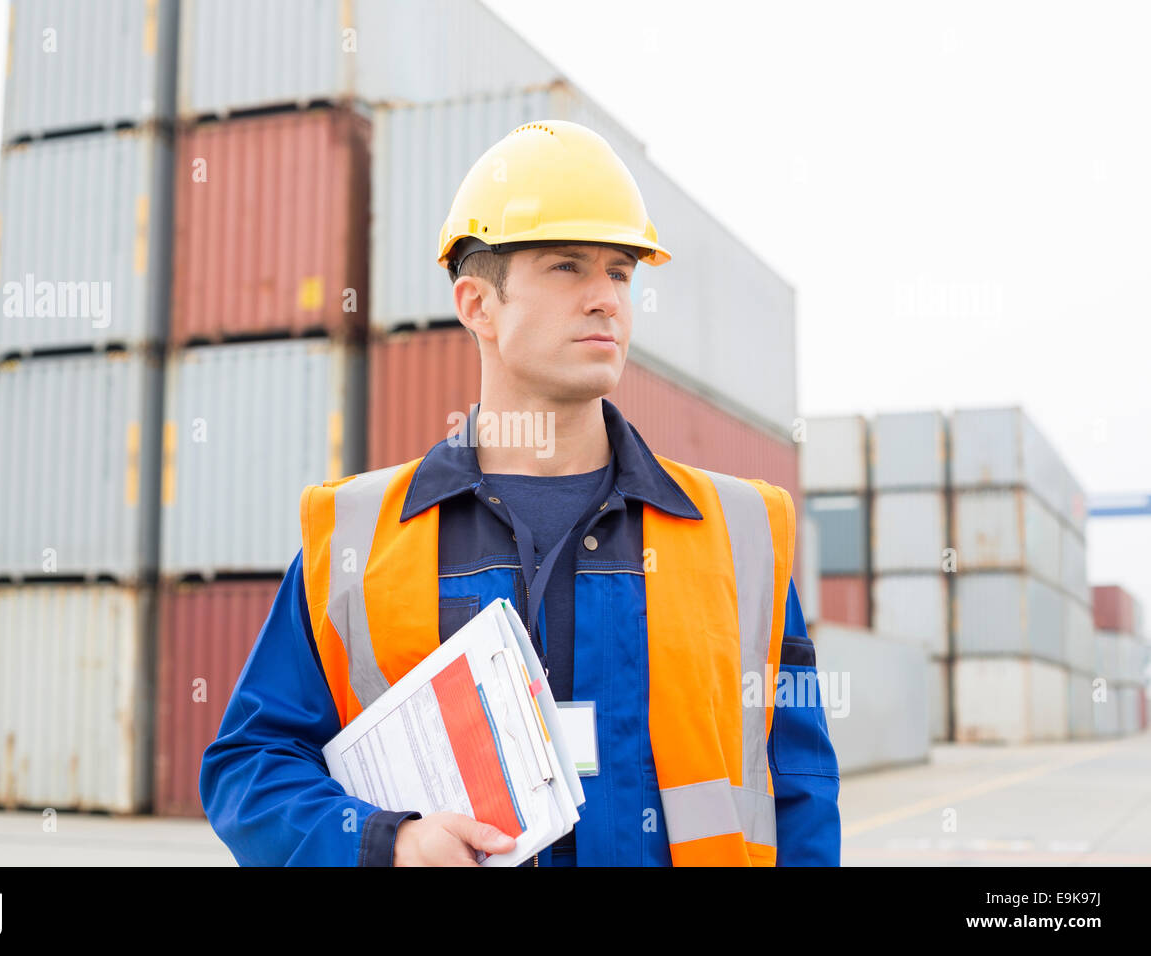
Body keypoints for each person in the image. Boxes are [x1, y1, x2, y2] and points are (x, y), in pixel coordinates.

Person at [201, 120, 841, 866]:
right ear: (478, 306)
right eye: (568, 267)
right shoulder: (357, 538)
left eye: (622, 272)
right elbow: (250, 768)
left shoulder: (740, 532)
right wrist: (391, 844)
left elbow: (798, 790)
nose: (607, 298)